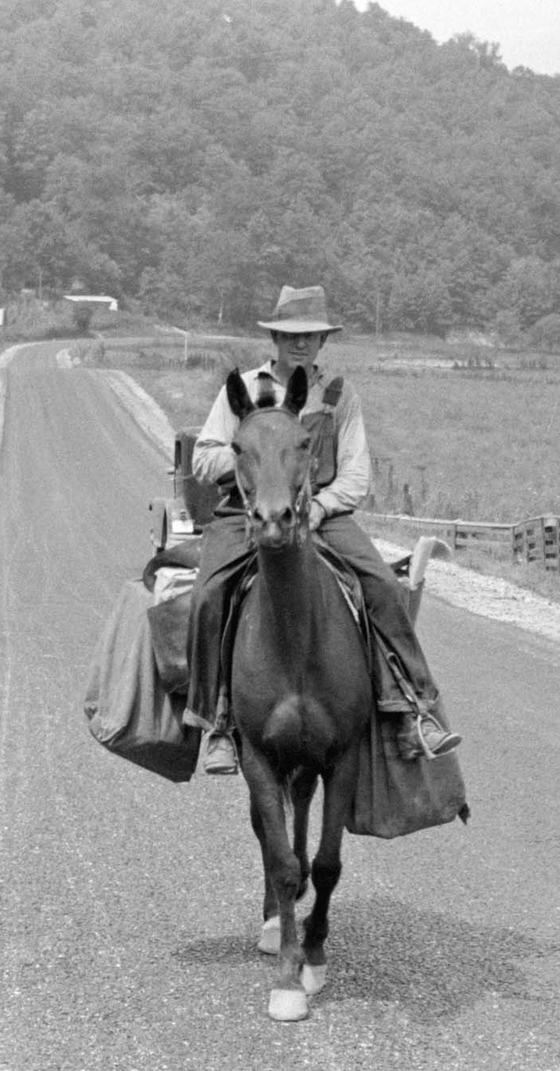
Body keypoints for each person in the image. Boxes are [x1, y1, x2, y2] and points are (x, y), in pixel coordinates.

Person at [183, 284, 462, 776]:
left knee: (381, 585)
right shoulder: (242, 390)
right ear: (274, 337)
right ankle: (217, 723)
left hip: (321, 516)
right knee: (208, 595)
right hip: (244, 513)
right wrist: (256, 453)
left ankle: (410, 708)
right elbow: (204, 457)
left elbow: (356, 475)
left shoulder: (339, 396)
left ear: (323, 341)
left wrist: (320, 508)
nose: (301, 344)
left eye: (310, 336)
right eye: (291, 335)